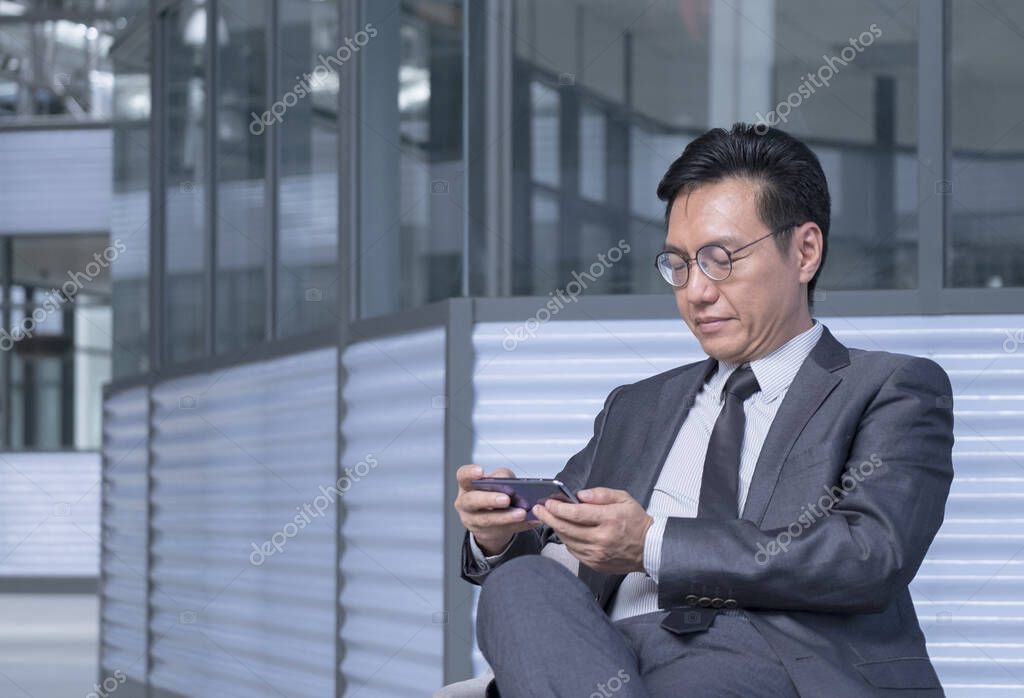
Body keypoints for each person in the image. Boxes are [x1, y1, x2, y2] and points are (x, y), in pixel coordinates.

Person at [453, 123, 954, 697]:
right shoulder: (635, 406)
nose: (696, 291)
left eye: (720, 259)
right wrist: (498, 533)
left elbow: (872, 555)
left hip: (778, 657)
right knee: (518, 584)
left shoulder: (890, 386)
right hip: (616, 661)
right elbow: (563, 537)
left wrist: (651, 544)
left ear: (805, 251)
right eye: (679, 264)